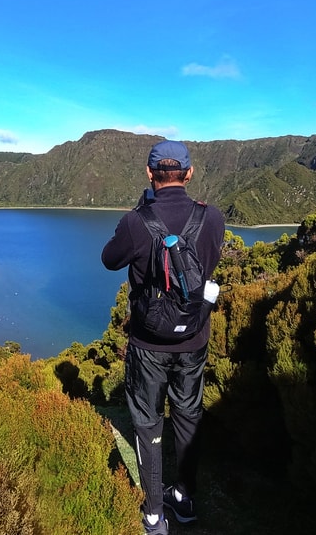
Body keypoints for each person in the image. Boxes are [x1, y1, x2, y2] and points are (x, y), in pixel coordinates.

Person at [101, 139, 226, 534]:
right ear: (189, 174)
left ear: (149, 174)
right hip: (193, 339)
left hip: (147, 344)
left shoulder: (136, 222)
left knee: (147, 424)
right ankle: (185, 500)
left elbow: (109, 260)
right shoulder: (214, 217)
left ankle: (154, 514)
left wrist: (135, 221)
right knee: (189, 417)